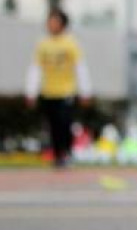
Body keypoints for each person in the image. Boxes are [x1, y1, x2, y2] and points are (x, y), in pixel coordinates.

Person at [25, 9, 92, 168]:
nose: (51, 24)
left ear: (62, 24)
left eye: (54, 21)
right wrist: (31, 92)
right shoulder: (43, 44)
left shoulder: (71, 43)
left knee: (65, 124)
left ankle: (67, 153)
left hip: (66, 91)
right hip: (49, 92)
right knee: (53, 125)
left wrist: (85, 91)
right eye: (49, 21)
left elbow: (80, 68)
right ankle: (57, 156)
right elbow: (35, 69)